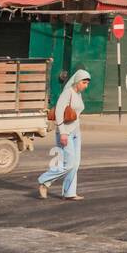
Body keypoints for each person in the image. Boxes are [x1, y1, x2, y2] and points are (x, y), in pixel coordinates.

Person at [39, 69, 89, 201]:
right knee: (69, 163)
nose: (86, 86)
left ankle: (69, 192)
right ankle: (45, 181)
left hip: (76, 133)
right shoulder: (67, 93)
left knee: (76, 164)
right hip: (65, 133)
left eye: (87, 83)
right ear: (77, 81)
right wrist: (63, 133)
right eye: (84, 83)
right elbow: (59, 113)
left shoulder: (78, 94)